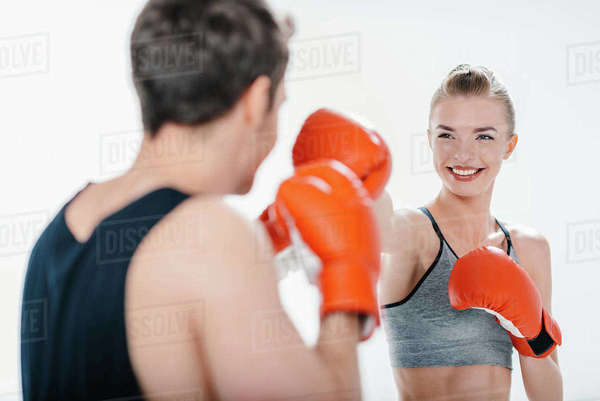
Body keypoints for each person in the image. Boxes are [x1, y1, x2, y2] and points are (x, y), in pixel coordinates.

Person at [19, 1, 390, 400]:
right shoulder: (210, 234)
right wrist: (346, 273)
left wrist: (271, 244)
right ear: (255, 99)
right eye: (279, 105)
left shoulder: (59, 234)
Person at [378, 64, 563, 401]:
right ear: (430, 141)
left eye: (484, 136)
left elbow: (549, 395)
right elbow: (378, 228)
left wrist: (531, 331)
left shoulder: (529, 248)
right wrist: (365, 182)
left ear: (509, 145)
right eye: (447, 135)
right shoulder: (413, 232)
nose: (463, 154)